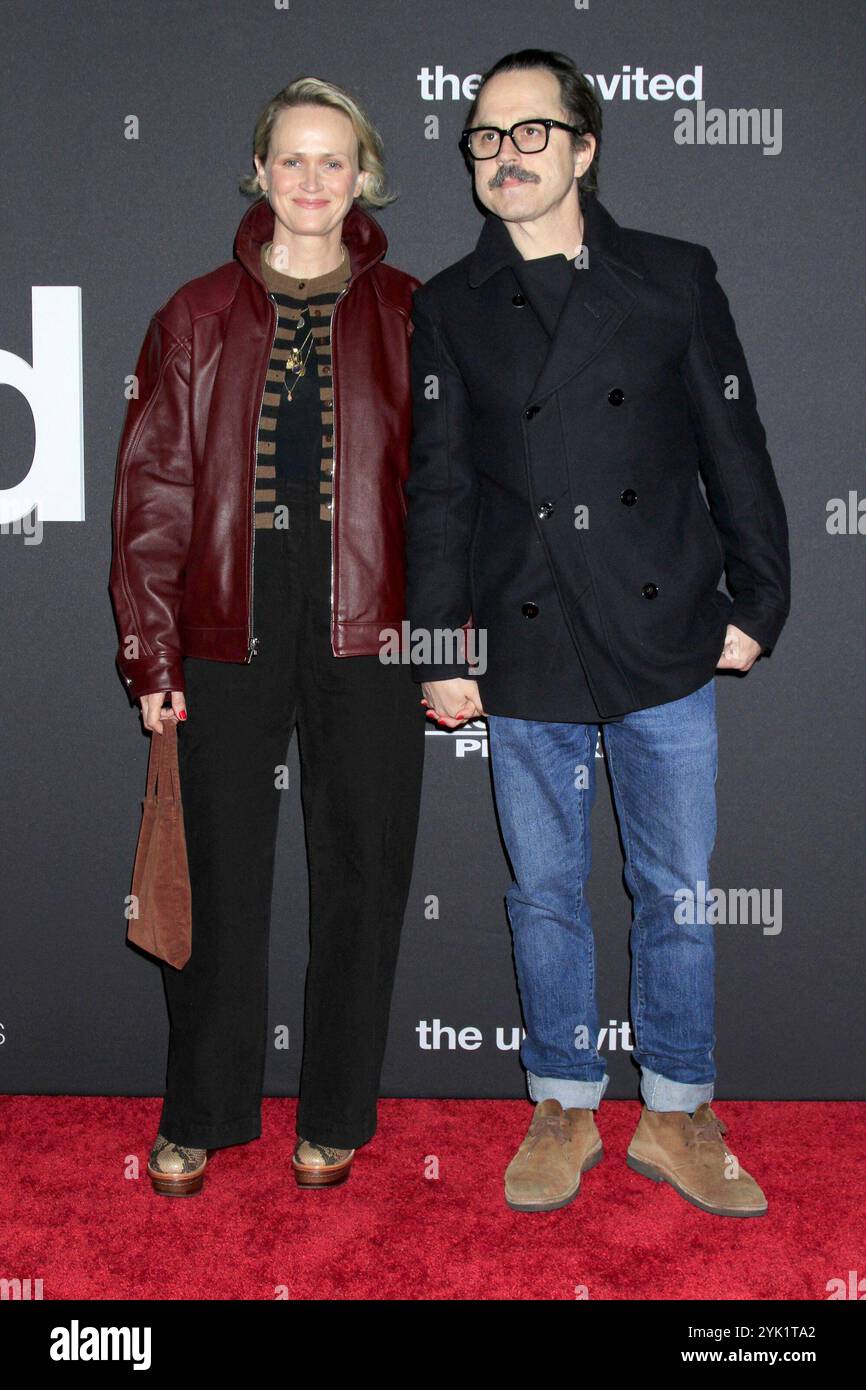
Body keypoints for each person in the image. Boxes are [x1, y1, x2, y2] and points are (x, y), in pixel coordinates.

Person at [405, 48, 790, 1217]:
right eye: (484, 136)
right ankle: (562, 1103)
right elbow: (435, 489)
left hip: (661, 629)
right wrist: (437, 650)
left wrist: (755, 604)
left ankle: (674, 1115)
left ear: (582, 147)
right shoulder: (446, 303)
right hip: (521, 640)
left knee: (674, 888)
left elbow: (735, 448)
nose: (504, 155)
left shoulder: (671, 277)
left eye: (530, 133)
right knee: (543, 893)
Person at [109, 77, 425, 1196]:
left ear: (363, 176)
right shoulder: (193, 315)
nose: (308, 181)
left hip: (369, 621)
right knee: (218, 880)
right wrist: (151, 654)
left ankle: (336, 1110)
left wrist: (444, 650)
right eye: (288, 159)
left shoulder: (410, 311)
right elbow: (151, 496)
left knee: (362, 875)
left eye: (330, 161)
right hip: (223, 618)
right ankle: (201, 1111)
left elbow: (447, 497)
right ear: (257, 171)